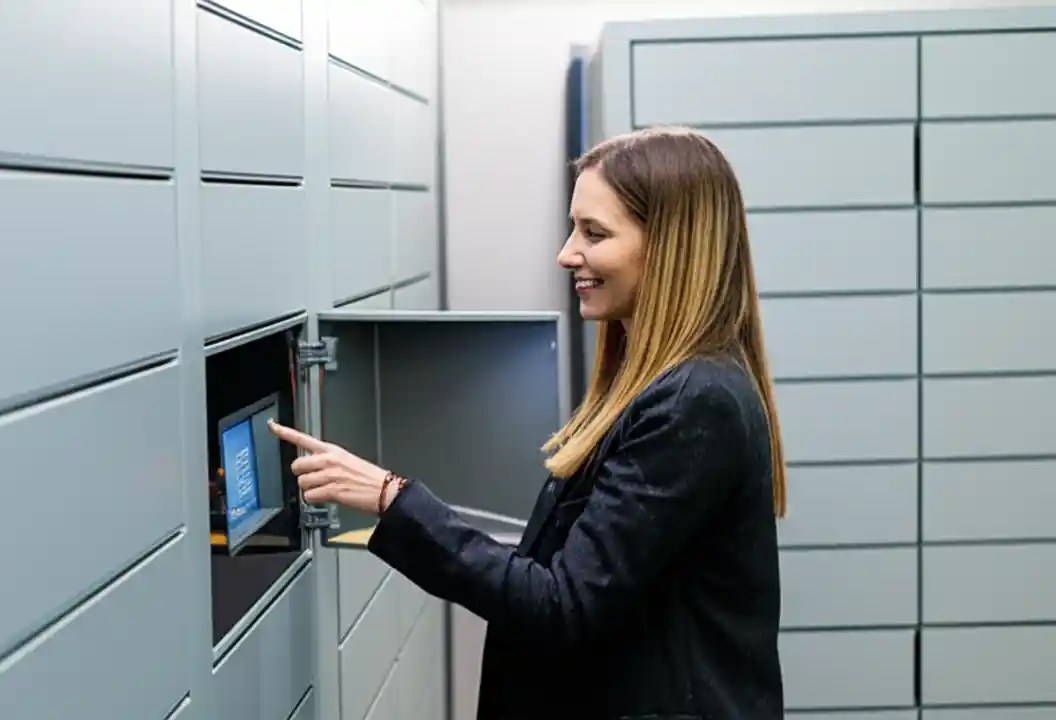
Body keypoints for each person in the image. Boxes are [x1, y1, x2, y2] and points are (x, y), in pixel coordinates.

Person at [270, 127, 787, 719]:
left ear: (670, 247)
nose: (568, 253)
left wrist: (392, 498)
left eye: (594, 233)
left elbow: (560, 604)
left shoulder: (693, 401)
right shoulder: (665, 385)